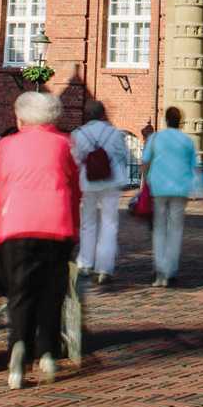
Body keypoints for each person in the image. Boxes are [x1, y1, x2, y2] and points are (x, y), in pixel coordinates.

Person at [0, 90, 79, 389]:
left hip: (16, 226)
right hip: (56, 224)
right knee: (52, 293)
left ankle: (18, 350)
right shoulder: (65, 144)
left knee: (20, 292)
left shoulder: (7, 145)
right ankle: (48, 353)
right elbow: (76, 188)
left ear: (20, 117)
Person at [70, 99, 130, 287]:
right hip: (111, 182)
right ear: (103, 114)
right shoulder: (114, 133)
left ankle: (85, 263)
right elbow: (124, 156)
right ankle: (104, 268)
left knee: (88, 222)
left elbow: (75, 159)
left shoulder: (78, 134)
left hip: (89, 182)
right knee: (109, 224)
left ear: (87, 115)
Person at [141, 106, 199, 288]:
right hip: (180, 188)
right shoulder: (187, 140)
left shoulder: (156, 138)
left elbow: (145, 162)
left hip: (159, 187)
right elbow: (194, 167)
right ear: (180, 121)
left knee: (159, 230)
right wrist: (198, 190)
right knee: (175, 231)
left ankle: (160, 271)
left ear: (166, 120)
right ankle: (170, 270)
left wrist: (146, 183)